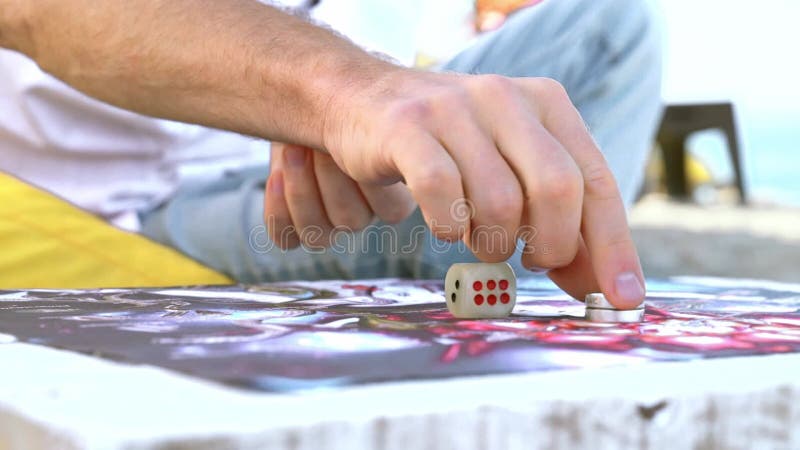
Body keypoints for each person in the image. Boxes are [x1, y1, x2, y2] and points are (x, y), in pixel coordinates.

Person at [0, 0, 661, 308]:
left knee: (608, 22)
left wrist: (349, 118)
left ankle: (533, 285)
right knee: (455, 221)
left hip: (284, 151)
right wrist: (339, 91)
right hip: (134, 202)